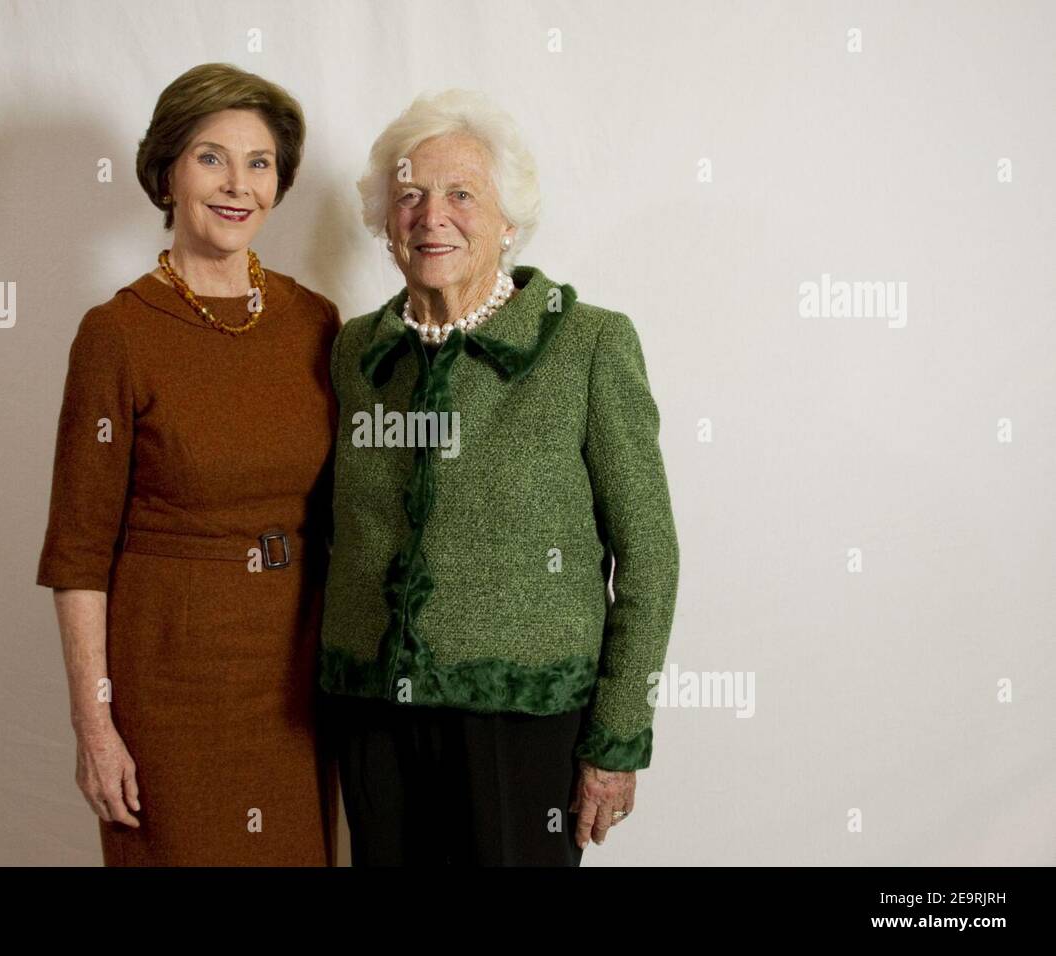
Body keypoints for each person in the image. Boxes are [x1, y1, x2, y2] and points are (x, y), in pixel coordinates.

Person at [318, 89, 680, 865]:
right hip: (375, 714)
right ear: (386, 220)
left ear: (508, 220)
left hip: (522, 723)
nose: (431, 214)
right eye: (409, 194)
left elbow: (649, 552)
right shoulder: (355, 353)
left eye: (461, 194)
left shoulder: (587, 346)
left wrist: (617, 738)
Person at [36, 63, 340, 865]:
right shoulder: (118, 333)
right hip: (170, 682)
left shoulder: (317, 322)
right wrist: (94, 725)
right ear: (167, 171)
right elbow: (78, 551)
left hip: (296, 686)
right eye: (211, 157)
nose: (238, 184)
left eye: (260, 163)